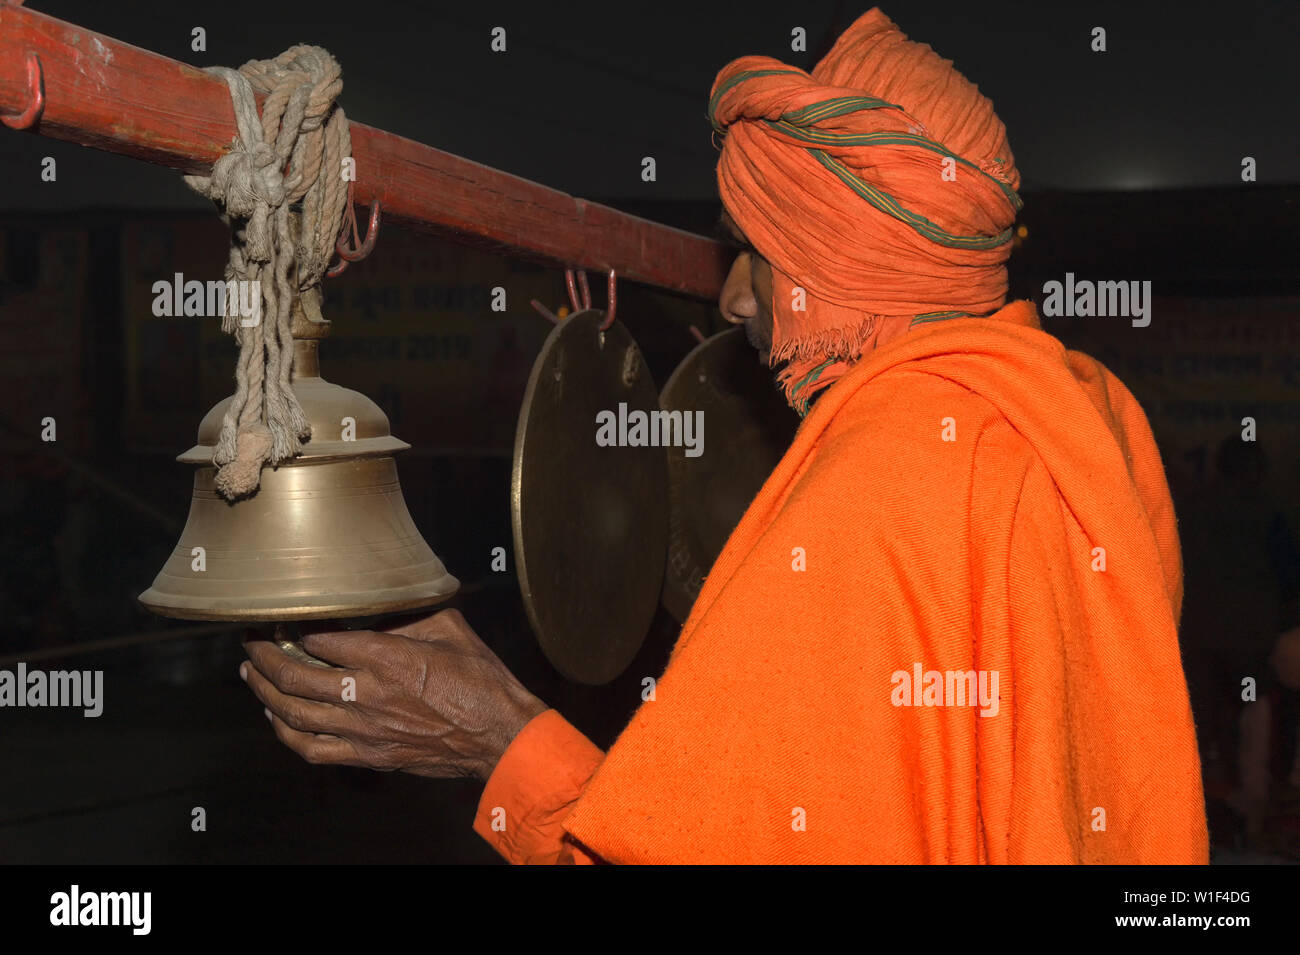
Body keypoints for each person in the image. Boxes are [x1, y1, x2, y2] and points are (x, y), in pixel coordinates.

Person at [239, 7, 1209, 864]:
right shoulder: (1085, 413)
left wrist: (501, 737)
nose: (737, 294)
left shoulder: (878, 486)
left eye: (762, 252)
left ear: (851, 265)